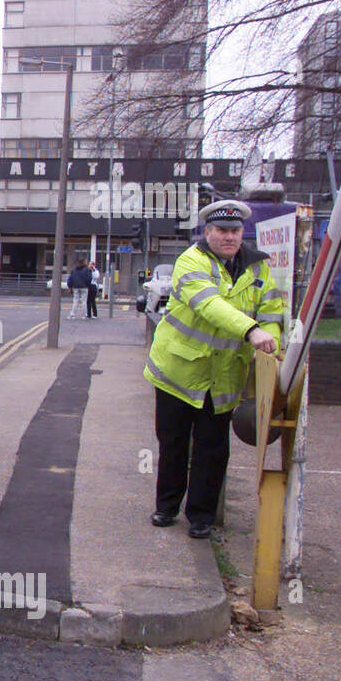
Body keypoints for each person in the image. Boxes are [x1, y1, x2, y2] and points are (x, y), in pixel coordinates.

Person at [144, 199, 283, 540]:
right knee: (174, 443)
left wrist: (270, 343)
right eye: (221, 230)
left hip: (223, 379)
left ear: (242, 234)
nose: (229, 237)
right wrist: (252, 332)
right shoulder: (191, 261)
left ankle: (201, 516)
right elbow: (208, 305)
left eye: (235, 231)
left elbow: (273, 314)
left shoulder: (259, 270)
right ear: (207, 232)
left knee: (213, 449)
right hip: (178, 372)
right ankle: (167, 507)